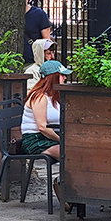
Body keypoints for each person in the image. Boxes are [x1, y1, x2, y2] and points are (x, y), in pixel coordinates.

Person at [21, 59, 69, 204]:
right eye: (62, 75)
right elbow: (42, 127)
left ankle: (70, 190)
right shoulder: (40, 97)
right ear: (53, 76)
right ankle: (62, 185)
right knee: (69, 154)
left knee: (77, 151)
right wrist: (61, 140)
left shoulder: (55, 96)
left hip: (49, 137)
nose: (65, 78)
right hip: (36, 139)